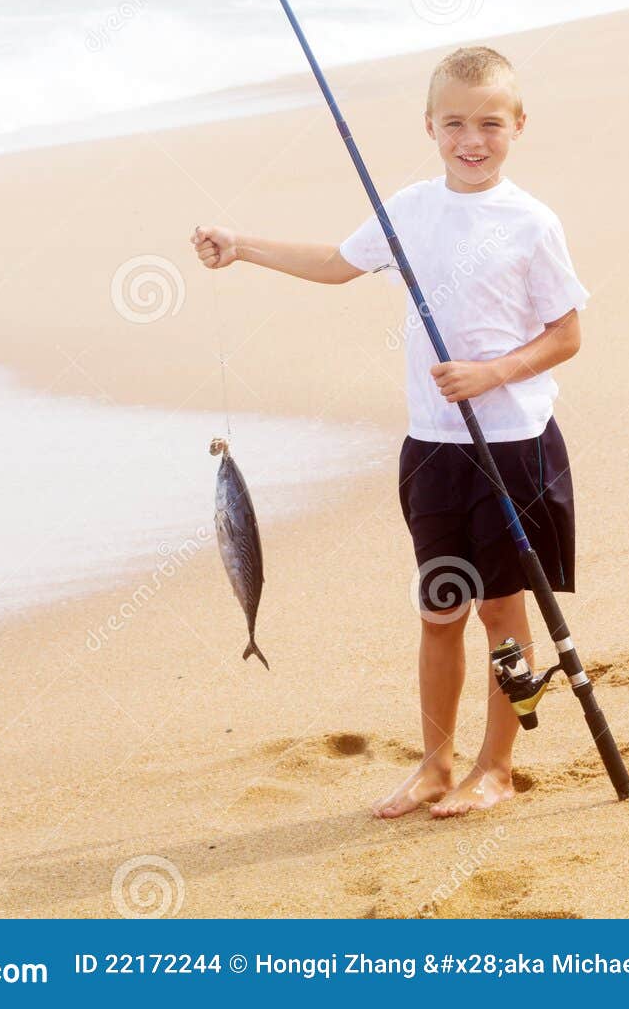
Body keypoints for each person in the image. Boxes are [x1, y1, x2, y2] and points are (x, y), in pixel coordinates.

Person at [190, 45, 587, 819]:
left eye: (488, 124)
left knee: (501, 612)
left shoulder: (532, 222)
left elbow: (566, 334)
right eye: (453, 124)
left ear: (517, 126)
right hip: (431, 449)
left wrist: (493, 372)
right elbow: (339, 263)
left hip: (513, 444)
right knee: (439, 608)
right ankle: (434, 766)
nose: (471, 140)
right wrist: (242, 248)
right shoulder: (407, 207)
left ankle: (496, 767)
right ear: (429, 127)